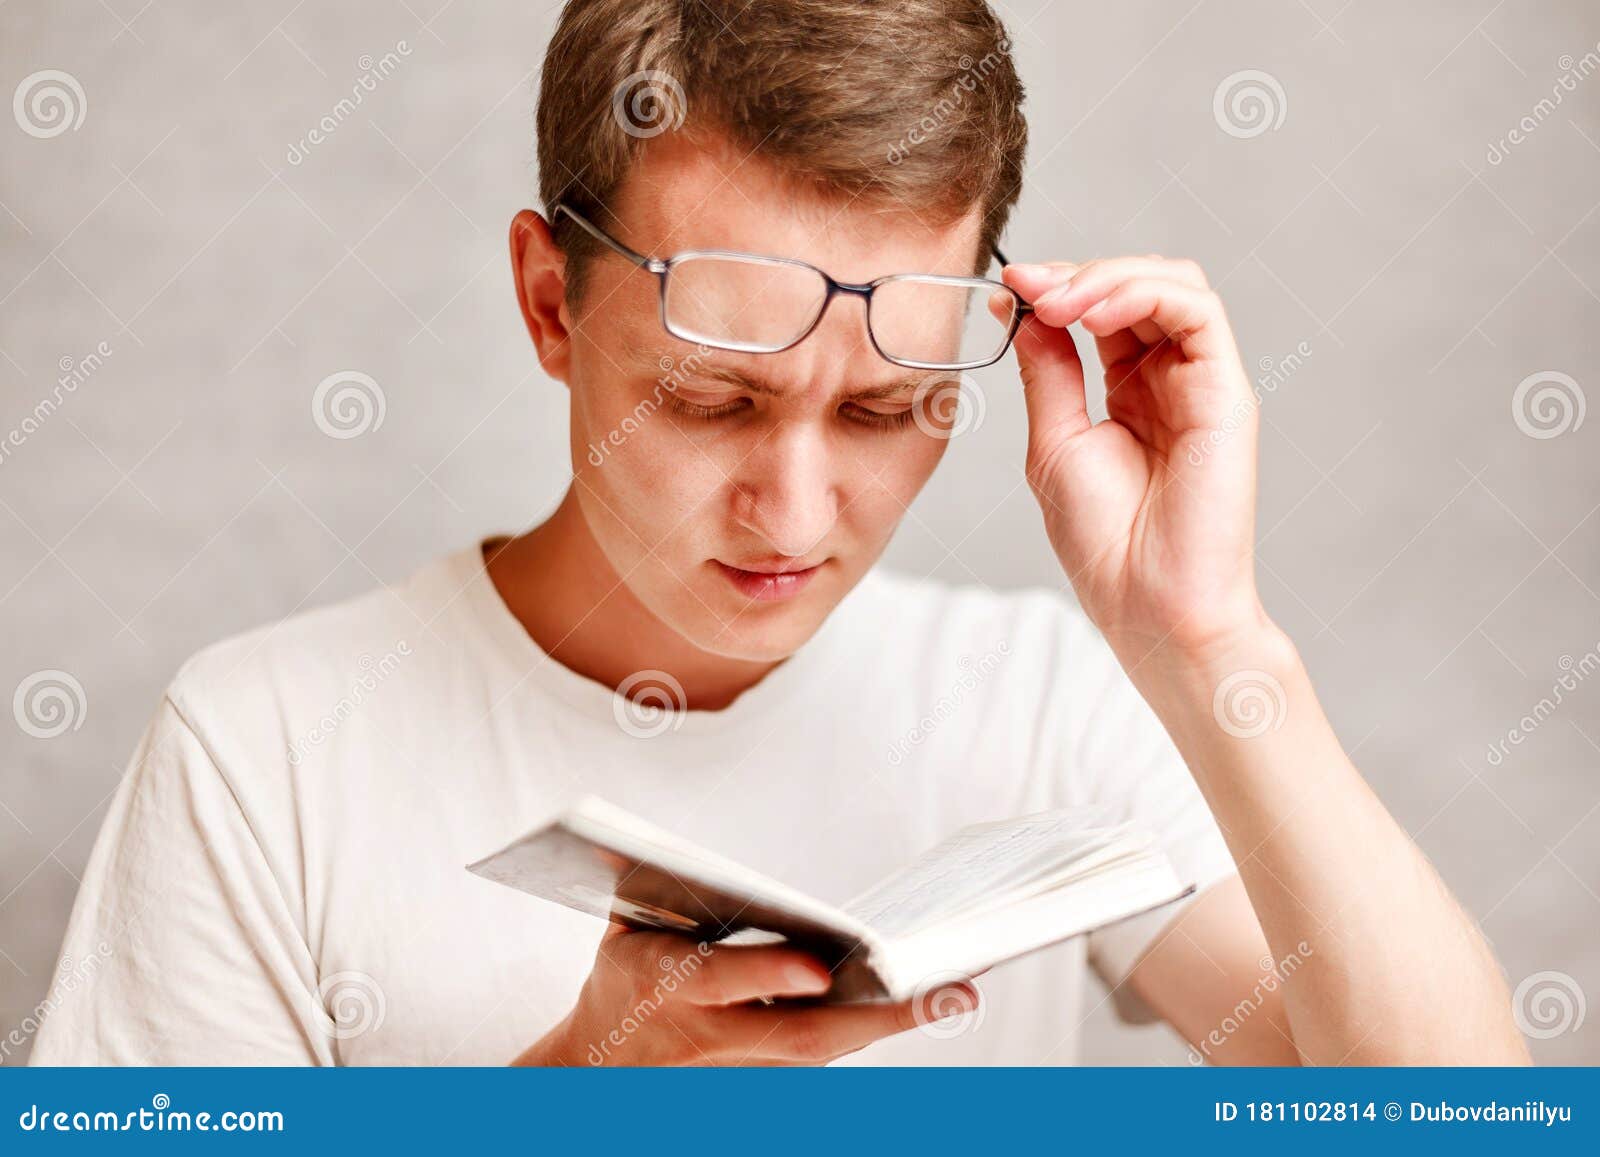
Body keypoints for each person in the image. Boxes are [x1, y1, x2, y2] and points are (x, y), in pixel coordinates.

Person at [32, 0, 1526, 1066]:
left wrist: (1209, 644)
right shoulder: (265, 749)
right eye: (706, 398)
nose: (797, 514)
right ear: (553, 303)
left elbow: (1444, 1118)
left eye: (885, 413)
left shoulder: (1051, 714)